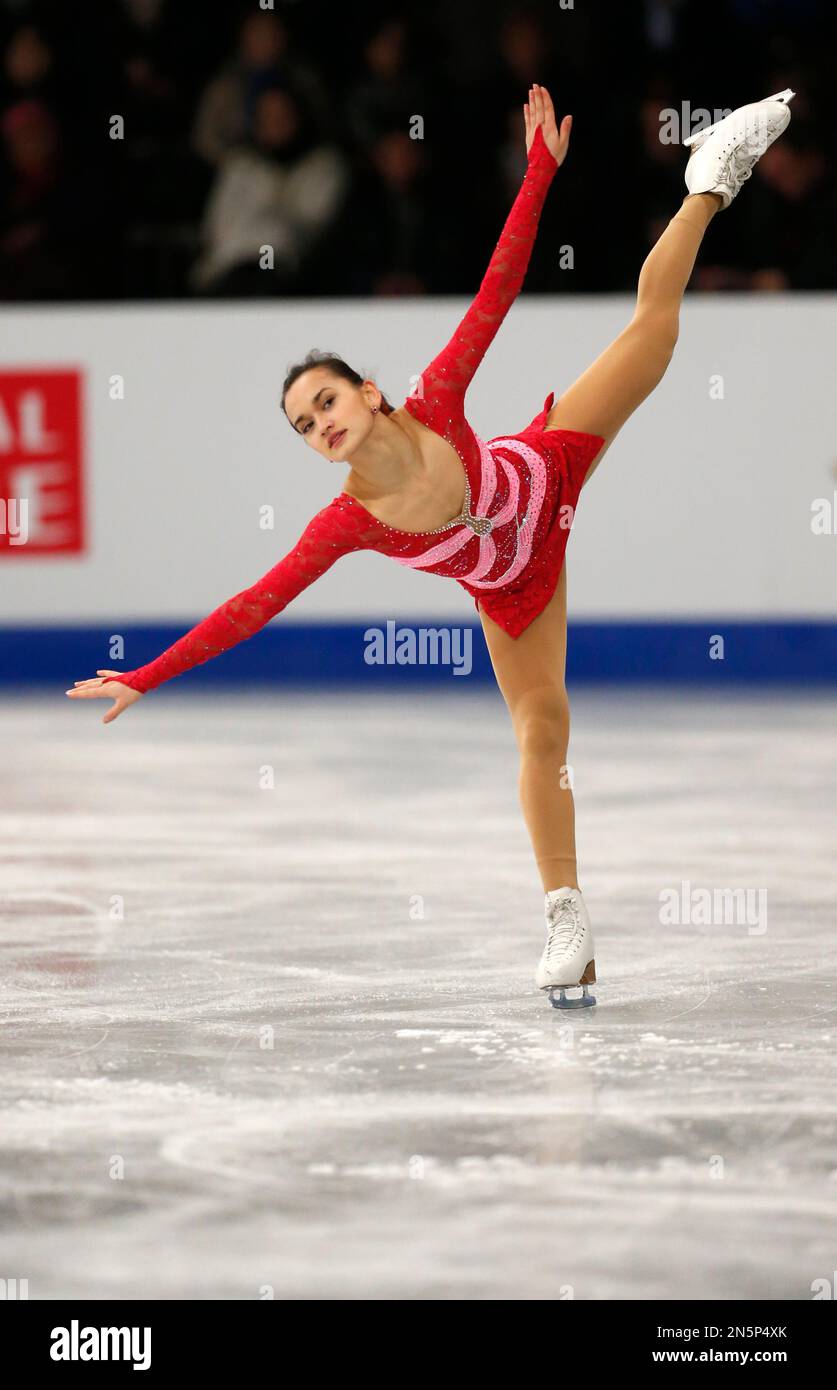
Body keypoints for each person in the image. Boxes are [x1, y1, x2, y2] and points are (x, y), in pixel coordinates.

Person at [67, 85, 795, 1007]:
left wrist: (536, 173)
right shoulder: (346, 522)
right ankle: (565, 918)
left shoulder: (436, 397)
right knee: (542, 729)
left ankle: (707, 180)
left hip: (548, 469)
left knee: (653, 331)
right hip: (513, 584)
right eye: (301, 424)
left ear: (369, 393)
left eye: (325, 401)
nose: (318, 424)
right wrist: (148, 674)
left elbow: (500, 282)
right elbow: (254, 604)